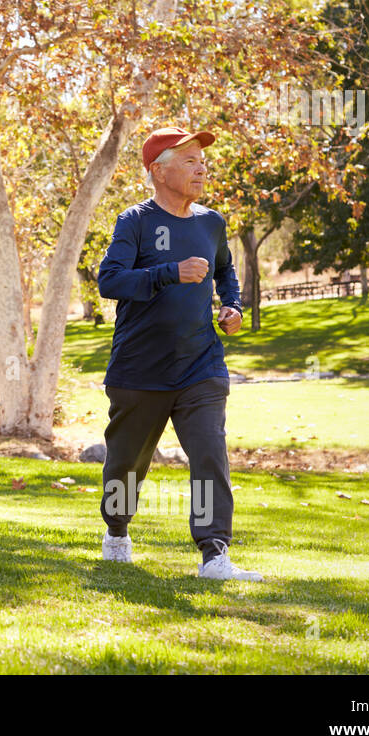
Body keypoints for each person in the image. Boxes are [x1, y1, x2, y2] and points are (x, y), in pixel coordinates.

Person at [95, 126, 261, 581]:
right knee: (127, 464)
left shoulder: (211, 223)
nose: (201, 167)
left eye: (201, 160)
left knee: (209, 453)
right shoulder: (136, 221)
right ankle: (116, 530)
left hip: (200, 364)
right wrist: (170, 272)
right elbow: (110, 281)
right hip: (139, 368)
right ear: (158, 171)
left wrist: (232, 307)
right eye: (188, 160)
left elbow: (225, 272)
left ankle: (214, 553)